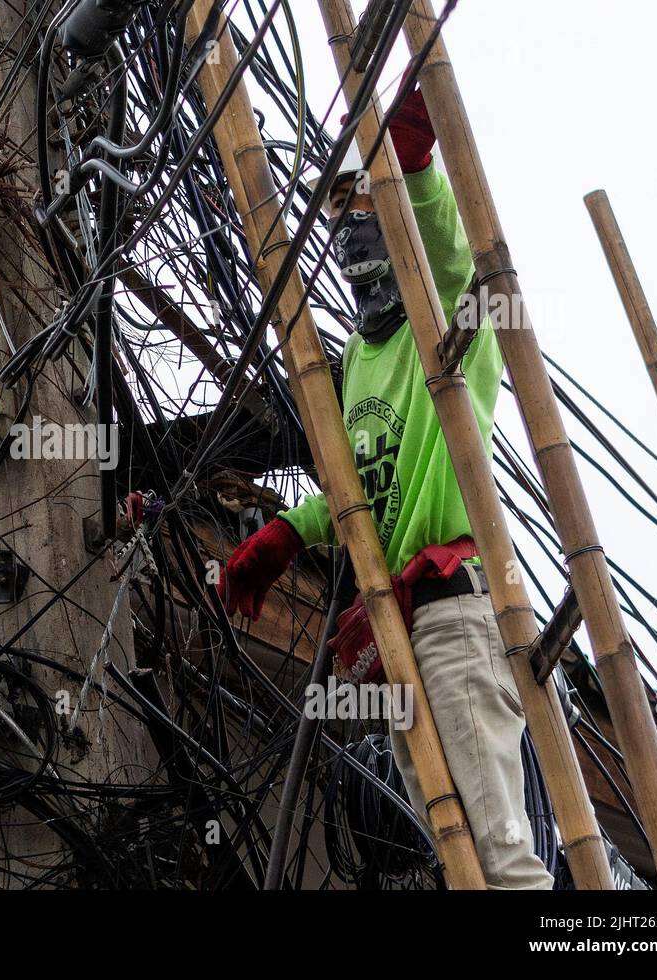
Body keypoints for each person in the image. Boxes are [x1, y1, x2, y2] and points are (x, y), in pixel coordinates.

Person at [219, 89, 552, 889]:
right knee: (455, 853)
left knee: (501, 860)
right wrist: (288, 535)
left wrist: (408, 161)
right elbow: (354, 492)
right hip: (398, 624)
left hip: (452, 611)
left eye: (363, 207)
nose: (349, 230)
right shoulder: (358, 364)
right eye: (338, 216)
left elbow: (445, 247)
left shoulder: (448, 331)